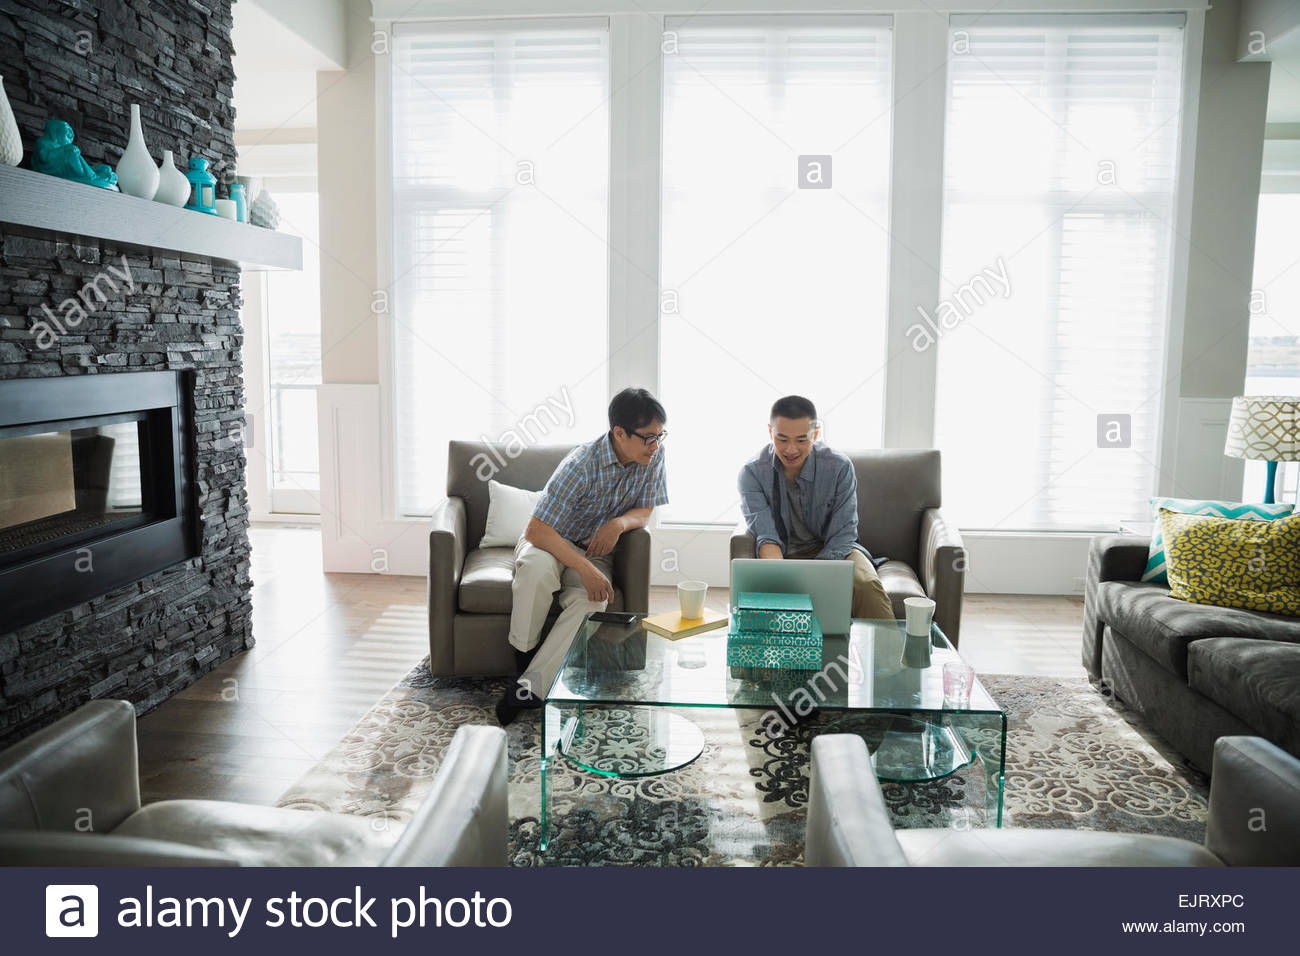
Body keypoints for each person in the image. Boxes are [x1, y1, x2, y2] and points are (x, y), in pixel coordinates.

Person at [497, 387, 669, 726]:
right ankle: (522, 657)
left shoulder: (653, 457)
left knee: (594, 600)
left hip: (592, 550)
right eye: (649, 438)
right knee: (535, 571)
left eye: (660, 436)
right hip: (549, 539)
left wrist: (618, 524)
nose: (657, 445)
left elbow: (644, 510)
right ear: (620, 433)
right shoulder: (580, 464)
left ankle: (530, 687)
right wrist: (583, 567)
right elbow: (536, 531)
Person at [737, 395, 895, 621]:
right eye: (782, 439)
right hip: (783, 555)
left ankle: (885, 656)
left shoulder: (839, 467)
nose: (791, 450)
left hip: (837, 551)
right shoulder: (751, 473)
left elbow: (843, 532)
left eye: (801, 440)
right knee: (772, 596)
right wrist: (782, 577)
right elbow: (766, 536)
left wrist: (819, 576)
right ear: (771, 433)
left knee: (867, 585)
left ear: (816, 434)